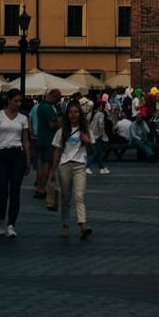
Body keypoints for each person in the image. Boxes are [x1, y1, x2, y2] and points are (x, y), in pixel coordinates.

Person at [0, 90, 30, 235]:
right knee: (2, 191)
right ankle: (1, 219)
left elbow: (26, 140)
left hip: (17, 154)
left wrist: (28, 160)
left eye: (20, 101)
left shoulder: (23, 118)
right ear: (8, 100)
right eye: (15, 101)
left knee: (15, 191)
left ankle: (11, 224)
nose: (18, 104)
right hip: (1, 154)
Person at [54, 99, 93, 240]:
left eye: (76, 112)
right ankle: (65, 224)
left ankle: (83, 225)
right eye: (71, 112)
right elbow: (57, 151)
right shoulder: (62, 131)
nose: (73, 115)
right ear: (67, 114)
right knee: (66, 197)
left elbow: (91, 151)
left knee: (79, 196)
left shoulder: (86, 130)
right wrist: (53, 171)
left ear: (80, 114)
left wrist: (87, 141)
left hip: (80, 165)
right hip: (64, 165)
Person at [31, 91, 61, 203]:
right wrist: (59, 122)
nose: (58, 101)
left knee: (41, 164)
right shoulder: (48, 108)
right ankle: (42, 188)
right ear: (53, 96)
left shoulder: (39, 106)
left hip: (41, 138)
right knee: (47, 166)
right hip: (49, 140)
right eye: (58, 99)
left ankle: (39, 188)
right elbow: (51, 124)